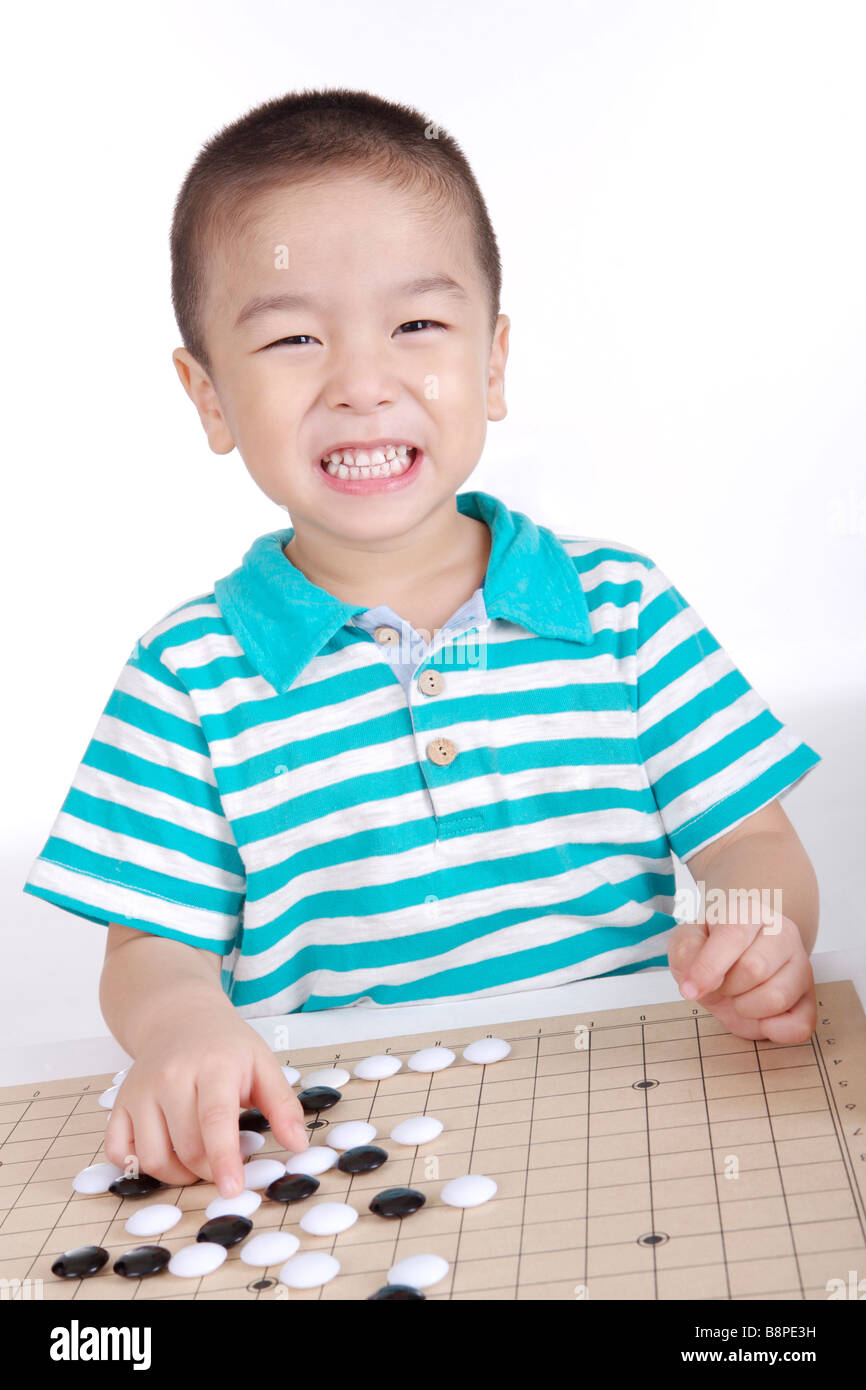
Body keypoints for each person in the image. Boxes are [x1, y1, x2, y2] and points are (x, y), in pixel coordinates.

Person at [22, 89, 822, 1200]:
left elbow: (749, 847)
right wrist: (185, 1029)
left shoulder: (620, 608)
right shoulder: (187, 676)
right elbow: (148, 952)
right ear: (208, 395)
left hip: (637, 1108)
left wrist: (753, 934)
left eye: (416, 326)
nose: (360, 383)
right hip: (359, 1150)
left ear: (492, 364)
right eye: (294, 337)